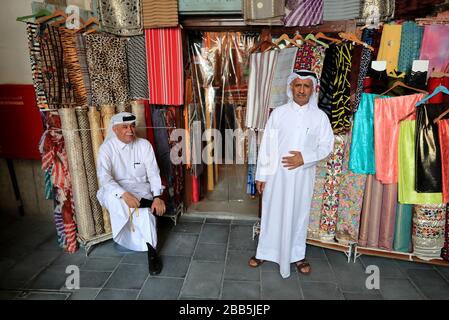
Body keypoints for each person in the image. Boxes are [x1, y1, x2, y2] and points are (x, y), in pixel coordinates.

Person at [248, 70, 334, 278]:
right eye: (298, 85)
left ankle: (297, 255)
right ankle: (265, 251)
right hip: (277, 176)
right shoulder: (279, 113)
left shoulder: (320, 117)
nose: (302, 90)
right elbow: (267, 145)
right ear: (291, 88)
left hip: (302, 177)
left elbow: (327, 146)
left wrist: (304, 157)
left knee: (299, 214)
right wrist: (261, 175)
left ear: (313, 89)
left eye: (306, 86)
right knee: (272, 211)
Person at [96, 112, 166, 275]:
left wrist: (157, 197)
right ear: (115, 129)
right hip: (115, 191)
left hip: (140, 189)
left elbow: (154, 173)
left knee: (146, 215)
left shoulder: (144, 145)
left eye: (132, 126)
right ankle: (145, 204)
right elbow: (104, 178)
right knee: (114, 198)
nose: (130, 130)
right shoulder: (106, 149)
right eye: (125, 126)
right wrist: (124, 194)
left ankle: (152, 252)